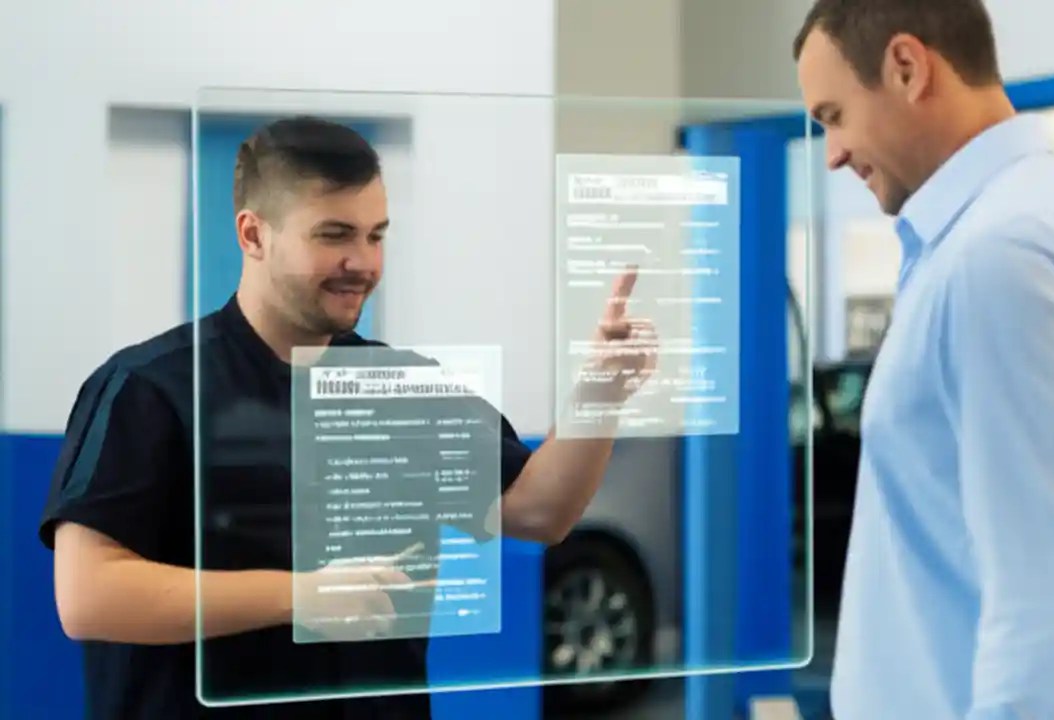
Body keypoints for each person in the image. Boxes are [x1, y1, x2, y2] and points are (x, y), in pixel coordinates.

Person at [39, 116, 656, 719]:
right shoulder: (148, 387)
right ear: (253, 235)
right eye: (334, 235)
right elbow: (90, 596)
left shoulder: (405, 388)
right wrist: (304, 596)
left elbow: (540, 510)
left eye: (376, 235)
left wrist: (601, 391)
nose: (363, 262)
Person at [792, 1, 1054, 718]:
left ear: (907, 67)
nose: (833, 153)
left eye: (834, 116)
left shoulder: (1002, 256)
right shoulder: (1052, 223)